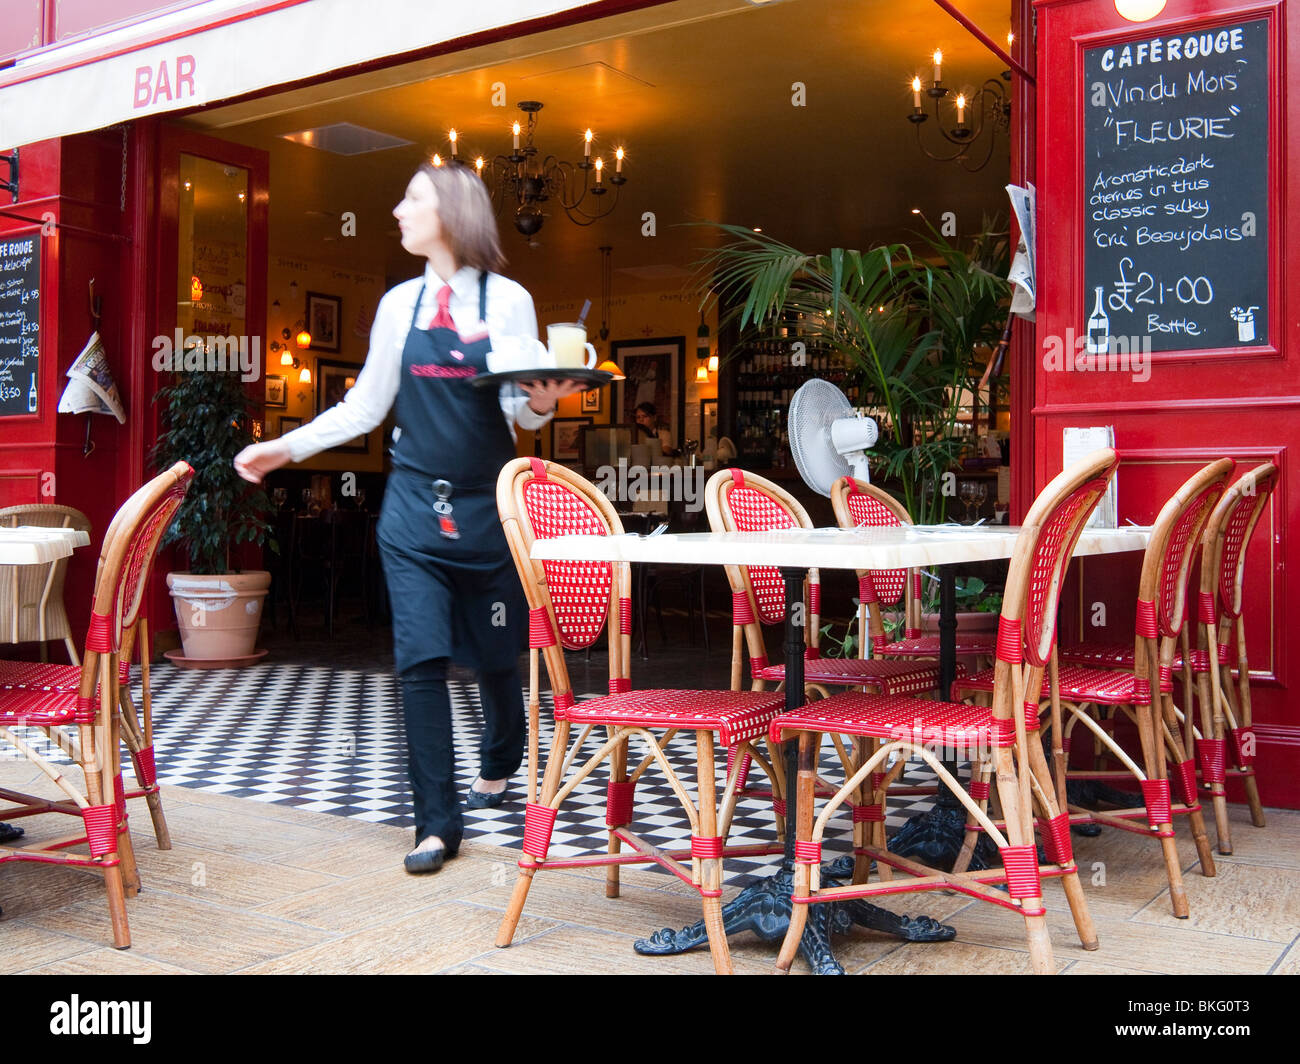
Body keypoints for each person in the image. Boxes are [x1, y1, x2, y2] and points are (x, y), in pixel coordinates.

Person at [234, 161, 583, 874]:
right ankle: (435, 824)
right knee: (419, 661)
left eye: (413, 199)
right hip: (414, 512)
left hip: (489, 511)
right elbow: (366, 407)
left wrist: (546, 399)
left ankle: (501, 751)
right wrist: (285, 448)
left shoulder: (508, 301)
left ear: (452, 213)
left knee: (493, 653)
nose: (398, 210)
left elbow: (521, 410)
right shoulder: (399, 305)